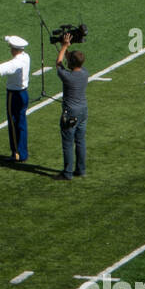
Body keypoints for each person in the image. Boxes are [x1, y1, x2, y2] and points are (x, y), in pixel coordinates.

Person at [0, 34, 31, 162]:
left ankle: (17, 153)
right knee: (21, 123)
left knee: (14, 123)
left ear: (15, 49)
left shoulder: (15, 63)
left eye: (11, 47)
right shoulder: (25, 56)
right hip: (23, 93)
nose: (10, 49)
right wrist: (8, 38)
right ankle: (22, 152)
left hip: (14, 95)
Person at [55, 32, 88, 180]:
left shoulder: (68, 77)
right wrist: (67, 48)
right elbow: (67, 62)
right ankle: (80, 170)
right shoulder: (84, 73)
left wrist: (63, 47)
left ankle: (67, 173)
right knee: (80, 141)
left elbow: (59, 64)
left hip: (71, 113)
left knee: (68, 143)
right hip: (83, 111)